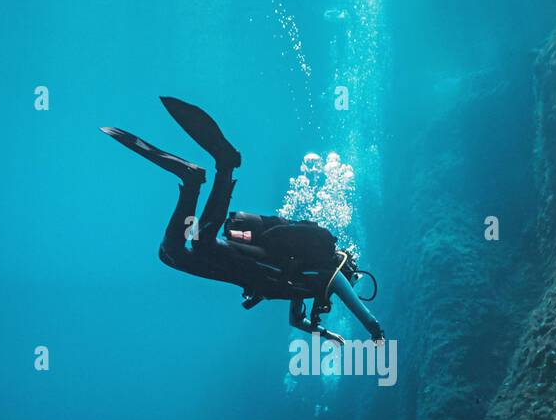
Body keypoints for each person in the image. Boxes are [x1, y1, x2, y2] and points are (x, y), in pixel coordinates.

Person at [102, 98, 385, 343]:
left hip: (240, 270)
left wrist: (327, 335)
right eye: (353, 278)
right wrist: (377, 333)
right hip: (251, 261)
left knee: (172, 252)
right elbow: (363, 313)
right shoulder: (330, 277)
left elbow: (295, 322)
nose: (350, 285)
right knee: (196, 245)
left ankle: (195, 181)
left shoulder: (308, 284)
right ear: (347, 270)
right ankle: (216, 170)